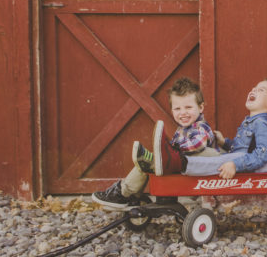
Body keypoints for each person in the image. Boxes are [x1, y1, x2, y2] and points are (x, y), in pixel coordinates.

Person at [91, 77, 217, 210]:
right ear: (172, 110)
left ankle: (124, 192)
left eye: (188, 107)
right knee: (147, 163)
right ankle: (128, 192)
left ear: (201, 107)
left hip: (205, 165)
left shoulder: (200, 127)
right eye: (177, 109)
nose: (183, 112)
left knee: (154, 162)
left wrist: (171, 150)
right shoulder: (181, 130)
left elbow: (198, 145)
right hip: (188, 166)